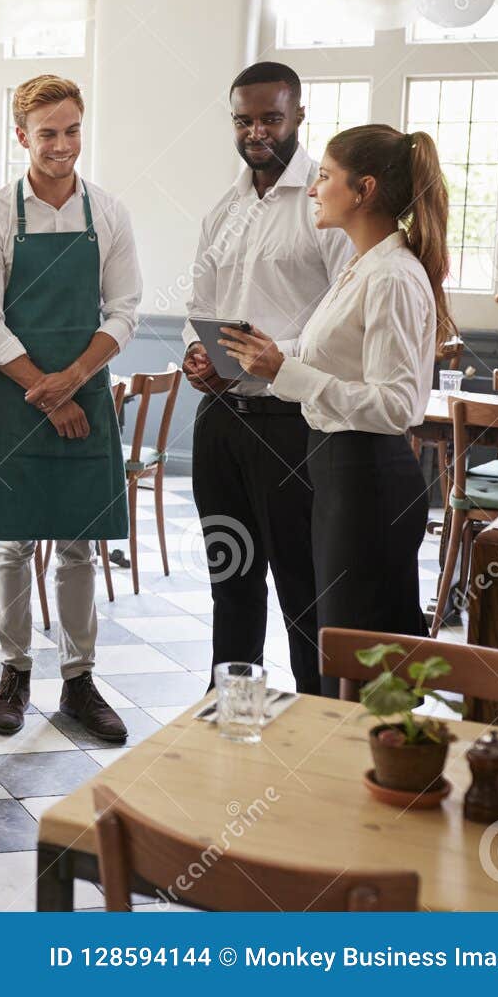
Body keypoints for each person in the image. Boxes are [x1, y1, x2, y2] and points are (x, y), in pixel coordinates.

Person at [221, 124, 448, 698]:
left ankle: (359, 774)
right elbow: (331, 359)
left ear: (364, 189)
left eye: (324, 177)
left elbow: (396, 404)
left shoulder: (392, 276)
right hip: (337, 468)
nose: (314, 190)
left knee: (357, 659)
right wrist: (270, 357)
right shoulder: (361, 266)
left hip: (368, 476)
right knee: (346, 649)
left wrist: (286, 373)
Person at [0, 75, 140, 742]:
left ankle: (78, 679)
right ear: (22, 137)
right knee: (10, 544)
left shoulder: (110, 214)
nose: (62, 145)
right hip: (15, 401)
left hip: (84, 392)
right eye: (47, 133)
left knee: (77, 547)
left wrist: (71, 379)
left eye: (71, 130)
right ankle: (13, 673)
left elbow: (124, 311)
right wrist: (43, 389)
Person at [181, 62, 352, 695]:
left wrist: (272, 355)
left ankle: (317, 710)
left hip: (291, 420)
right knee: (231, 573)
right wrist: (197, 359)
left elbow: (344, 313)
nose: (257, 131)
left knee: (303, 582)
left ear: (299, 117)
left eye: (270, 118)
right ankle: (230, 699)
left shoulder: (324, 204)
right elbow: (198, 305)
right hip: (221, 419)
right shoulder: (222, 209)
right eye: (244, 120)